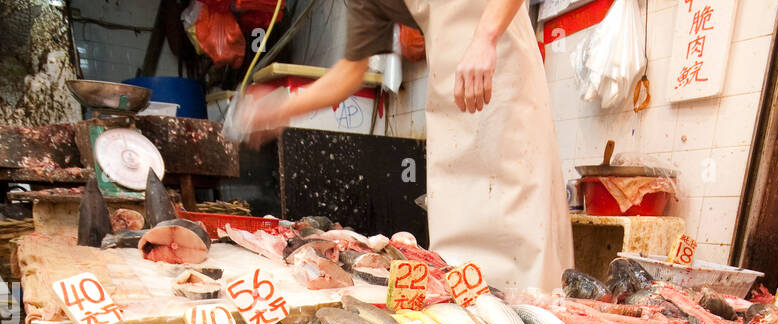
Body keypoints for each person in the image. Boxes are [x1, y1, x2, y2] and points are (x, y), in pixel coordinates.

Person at [241, 0, 572, 293]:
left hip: (506, 87)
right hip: (452, 115)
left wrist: (485, 36)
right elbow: (350, 72)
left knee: (527, 255)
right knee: (455, 267)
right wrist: (281, 108)